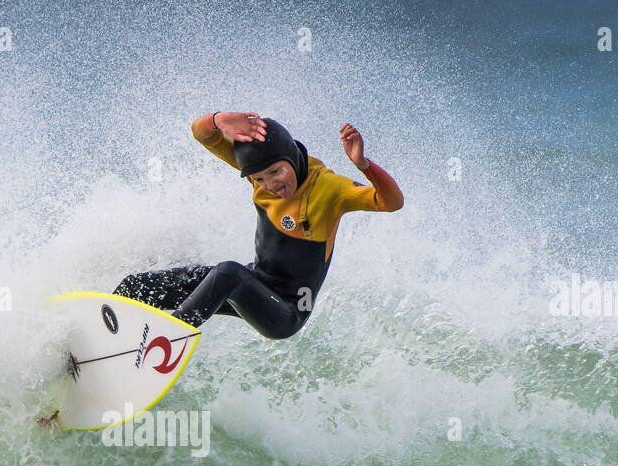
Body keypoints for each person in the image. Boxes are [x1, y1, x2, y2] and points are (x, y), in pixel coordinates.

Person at [114, 111, 403, 339]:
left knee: (227, 272)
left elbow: (391, 202)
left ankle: (164, 342)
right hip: (254, 284)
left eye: (276, 172)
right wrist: (218, 120)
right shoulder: (257, 174)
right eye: (259, 179)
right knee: (137, 286)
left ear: (291, 158)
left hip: (287, 312)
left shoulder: (328, 188)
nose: (270, 185)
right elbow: (200, 133)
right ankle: (100, 338)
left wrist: (363, 164)